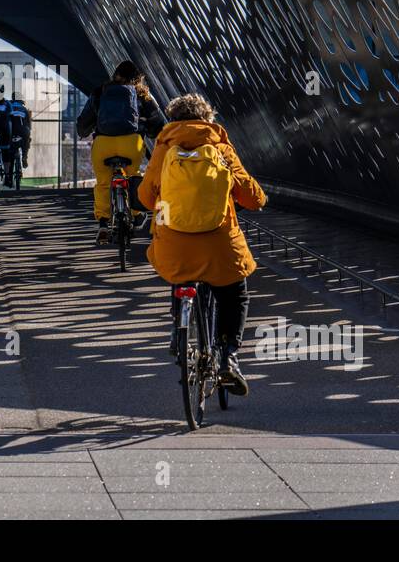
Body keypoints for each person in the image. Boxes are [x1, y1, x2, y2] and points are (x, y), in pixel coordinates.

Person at [137, 92, 266, 395]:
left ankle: (177, 330)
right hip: (219, 243)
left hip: (175, 244)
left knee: (180, 270)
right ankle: (229, 359)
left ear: (173, 118)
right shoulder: (219, 145)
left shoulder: (165, 145)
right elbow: (249, 193)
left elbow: (145, 196)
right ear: (208, 117)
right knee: (235, 293)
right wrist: (257, 199)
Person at [76, 60, 165, 244]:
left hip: (103, 143)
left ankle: (102, 223)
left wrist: (83, 131)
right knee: (133, 177)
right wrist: (148, 130)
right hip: (131, 143)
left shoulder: (100, 92)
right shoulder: (142, 94)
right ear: (138, 78)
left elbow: (84, 122)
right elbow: (157, 123)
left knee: (102, 183)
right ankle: (136, 213)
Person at [0, 91, 31, 187]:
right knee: (27, 140)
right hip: (23, 132)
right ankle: (25, 157)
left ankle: (8, 177)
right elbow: (29, 125)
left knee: (9, 152)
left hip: (9, 131)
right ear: (21, 100)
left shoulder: (8, 106)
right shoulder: (24, 109)